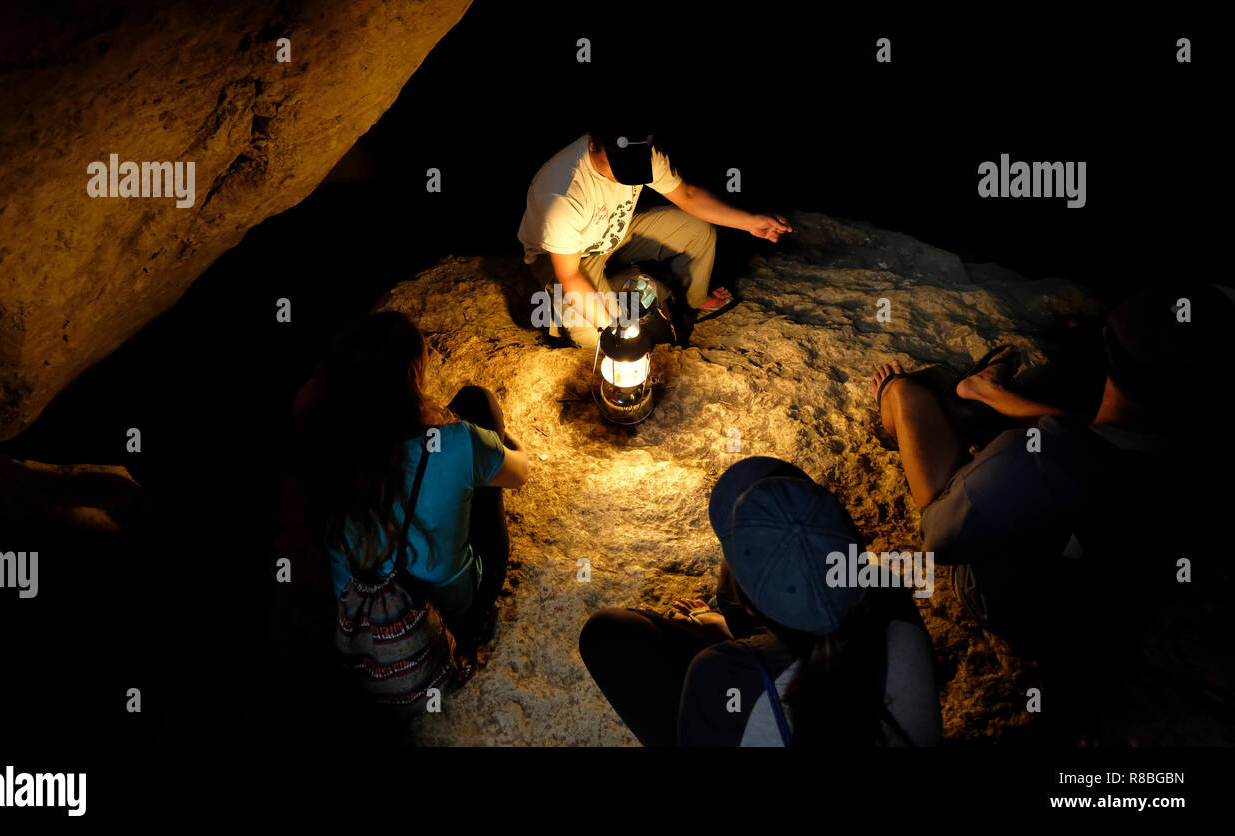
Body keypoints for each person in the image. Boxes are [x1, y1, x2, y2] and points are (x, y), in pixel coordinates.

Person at [871, 283, 1235, 740]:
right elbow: (1105, 435)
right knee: (1103, 435)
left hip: (1021, 605)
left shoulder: (1028, 459)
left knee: (909, 398)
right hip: (1113, 606)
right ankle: (986, 393)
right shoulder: (1204, 463)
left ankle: (906, 398)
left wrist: (916, 409)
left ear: (1108, 352)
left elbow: (940, 539)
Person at [579, 457, 941, 747]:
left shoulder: (721, 673)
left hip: (754, 693)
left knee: (609, 636)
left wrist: (733, 650)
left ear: (751, 609)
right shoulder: (890, 596)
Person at [295, 311, 529, 653]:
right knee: (479, 406)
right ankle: (472, 624)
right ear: (411, 377)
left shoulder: (322, 448)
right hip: (451, 610)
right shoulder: (455, 441)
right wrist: (495, 442)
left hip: (367, 617)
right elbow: (519, 473)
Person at [518, 126, 792, 348]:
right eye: (618, 166)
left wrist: (750, 222)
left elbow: (688, 195)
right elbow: (569, 275)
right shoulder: (561, 194)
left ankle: (691, 300)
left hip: (615, 231)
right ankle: (622, 288)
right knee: (596, 337)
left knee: (698, 231)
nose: (628, 175)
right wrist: (616, 331)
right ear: (592, 143)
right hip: (567, 258)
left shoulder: (641, 148)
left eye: (635, 165)